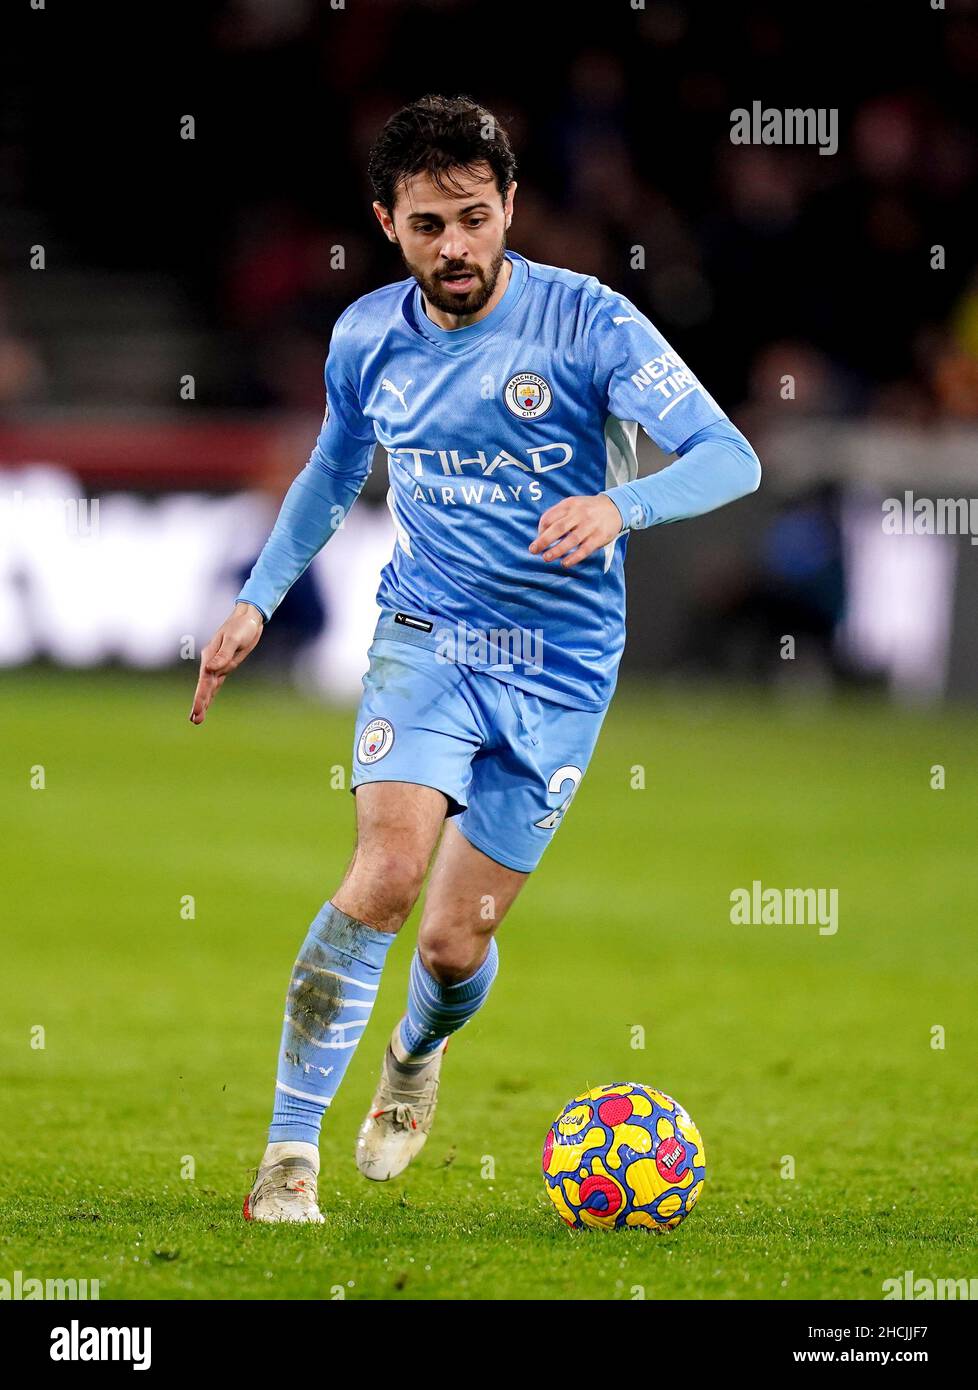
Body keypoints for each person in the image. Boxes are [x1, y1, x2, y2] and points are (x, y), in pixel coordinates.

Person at [190, 94, 761, 1223]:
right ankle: (286, 1161)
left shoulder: (589, 323)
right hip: (427, 636)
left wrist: (621, 503)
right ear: (385, 222)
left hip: (560, 665)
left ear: (509, 207)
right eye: (425, 224)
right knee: (387, 876)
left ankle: (414, 1052)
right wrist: (259, 600)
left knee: (454, 946)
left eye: (473, 217)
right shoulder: (365, 337)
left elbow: (729, 454)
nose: (454, 246)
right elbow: (328, 471)